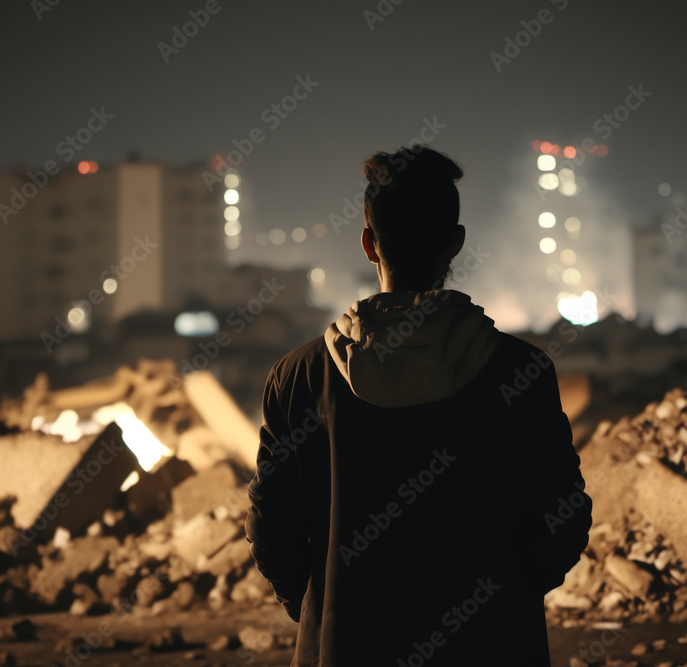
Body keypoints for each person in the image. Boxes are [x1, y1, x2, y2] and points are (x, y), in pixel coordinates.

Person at [245, 144, 591, 666]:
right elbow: (562, 517)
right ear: (456, 243)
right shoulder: (520, 372)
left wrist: (319, 608)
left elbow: (272, 528)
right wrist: (510, 597)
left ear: (368, 243)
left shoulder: (297, 378)